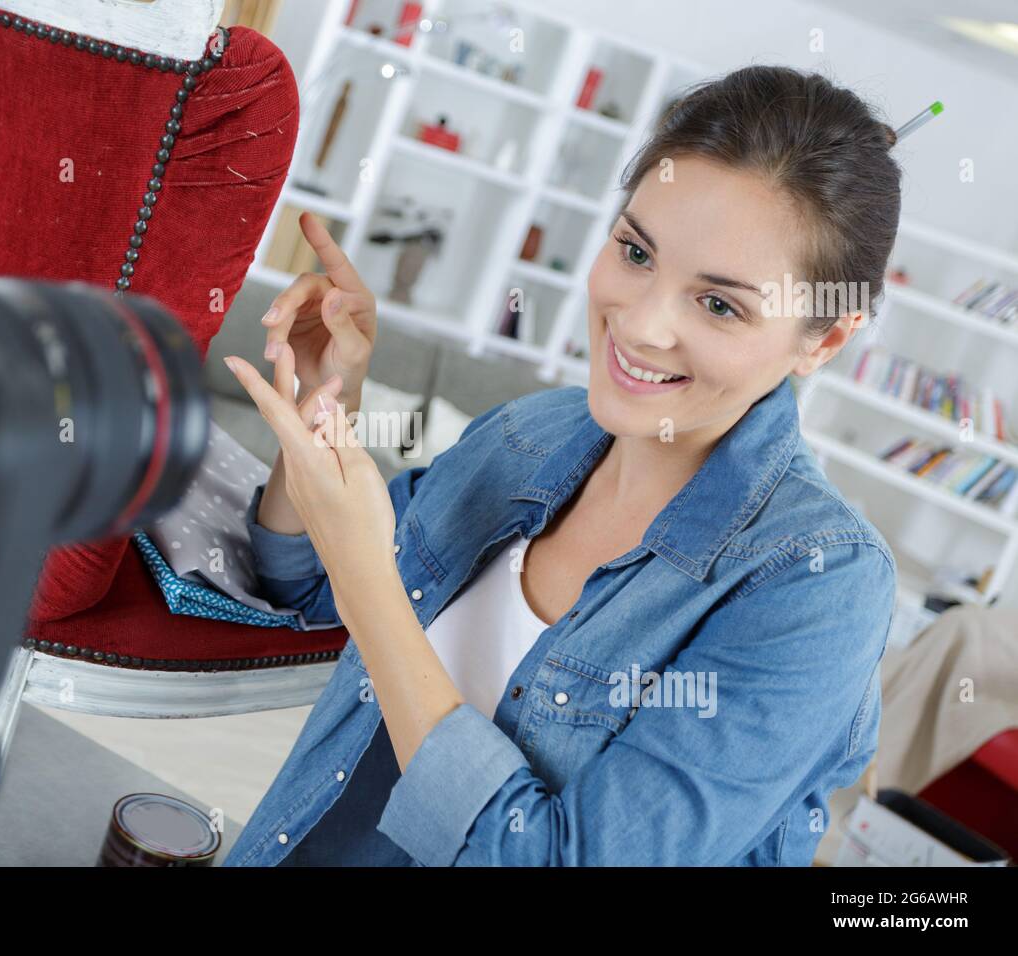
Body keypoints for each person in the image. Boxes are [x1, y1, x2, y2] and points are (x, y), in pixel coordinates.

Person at [219, 65, 901, 866]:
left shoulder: (818, 584)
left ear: (822, 340)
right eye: (636, 251)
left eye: (720, 304)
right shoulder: (533, 436)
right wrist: (326, 406)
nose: (641, 325)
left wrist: (367, 572)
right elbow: (300, 585)